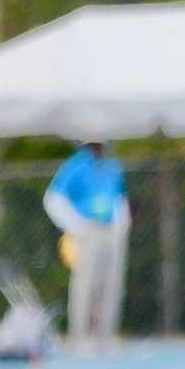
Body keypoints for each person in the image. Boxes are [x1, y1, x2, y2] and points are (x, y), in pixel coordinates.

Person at [44, 141, 131, 350]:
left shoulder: (112, 166)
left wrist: (122, 226)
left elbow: (119, 198)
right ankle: (80, 336)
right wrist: (75, 225)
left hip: (111, 230)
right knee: (86, 283)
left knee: (111, 284)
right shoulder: (75, 166)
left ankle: (106, 335)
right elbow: (53, 198)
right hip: (88, 229)